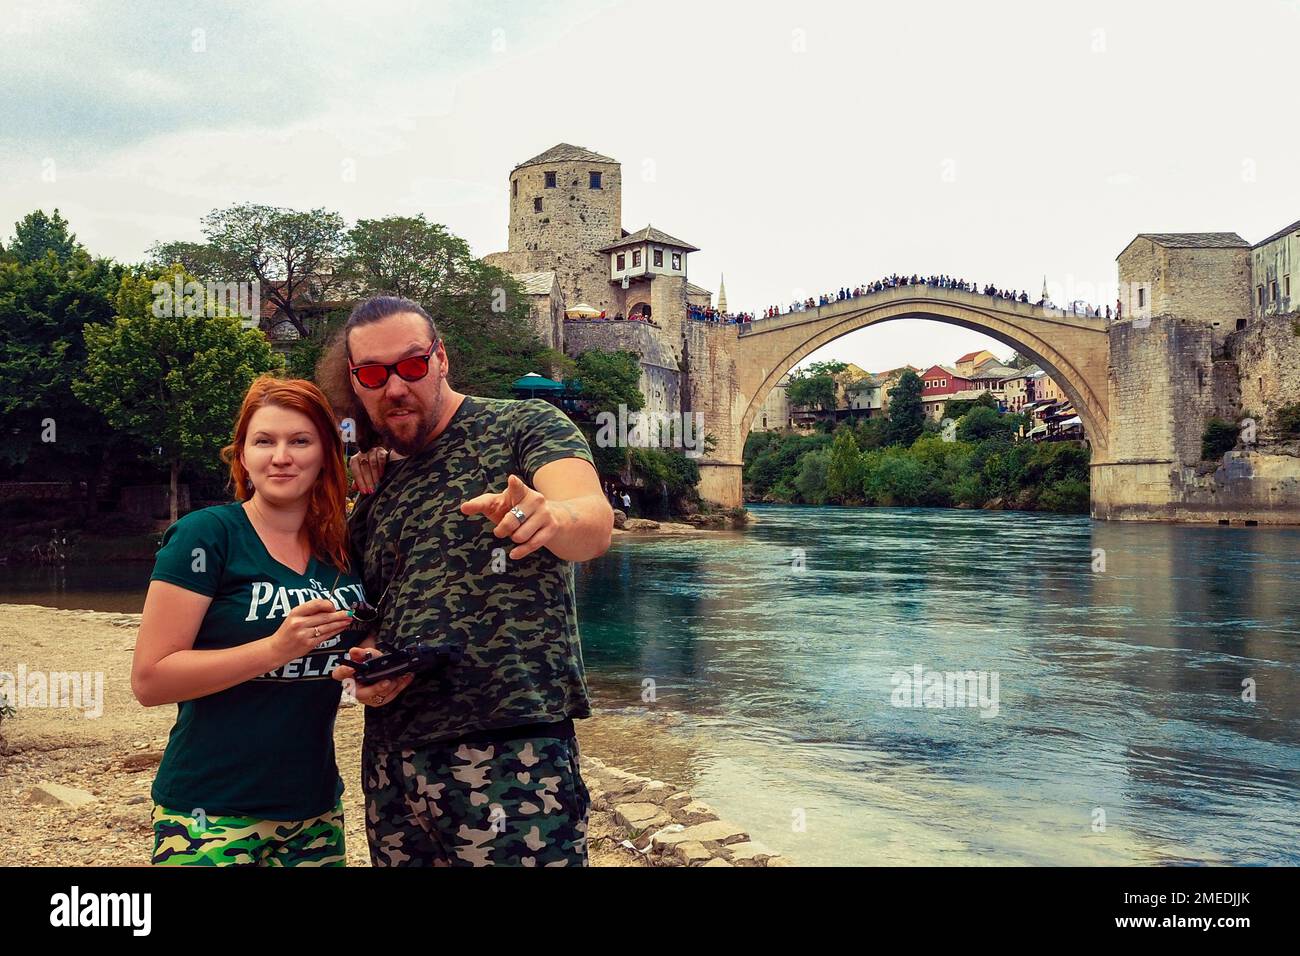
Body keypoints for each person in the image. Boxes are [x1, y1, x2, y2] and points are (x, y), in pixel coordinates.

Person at [319, 295, 613, 867]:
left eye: (411, 365)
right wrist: (370, 659)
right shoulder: (376, 487)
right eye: (374, 374)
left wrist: (552, 517)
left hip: (515, 753)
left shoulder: (524, 426)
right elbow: (371, 609)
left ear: (442, 358)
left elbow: (591, 522)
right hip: (392, 765)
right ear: (356, 382)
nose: (395, 387)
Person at [132, 376, 390, 866]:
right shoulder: (206, 537)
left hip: (313, 810)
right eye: (264, 441)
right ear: (244, 455)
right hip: (210, 812)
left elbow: (367, 627)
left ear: (325, 454)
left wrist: (370, 658)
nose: (281, 457)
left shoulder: (342, 549)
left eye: (300, 441)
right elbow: (150, 680)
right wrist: (274, 649)